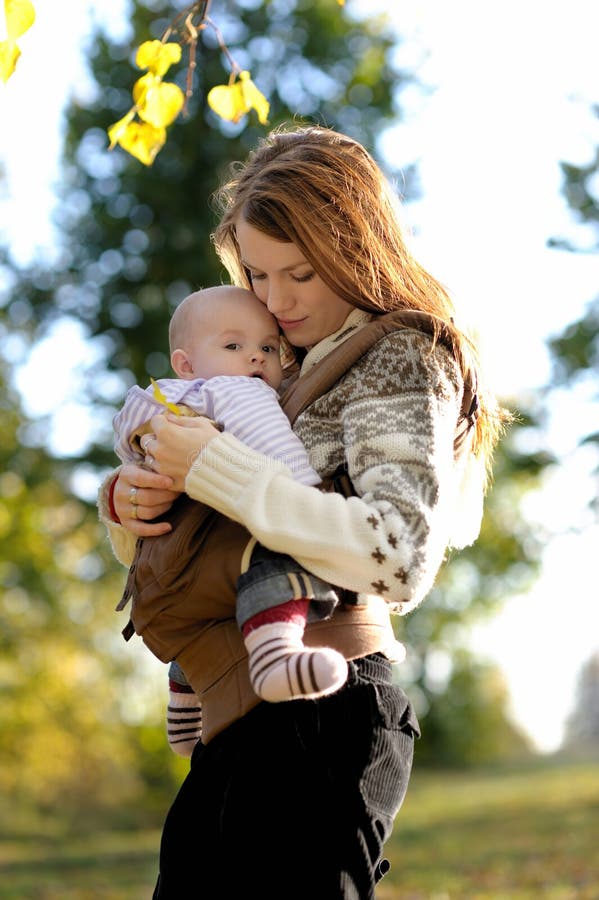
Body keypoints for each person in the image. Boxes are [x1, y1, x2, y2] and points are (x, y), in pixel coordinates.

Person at [98, 124, 509, 899]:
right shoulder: (274, 359)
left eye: (300, 274)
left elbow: (399, 556)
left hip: (325, 709)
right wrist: (131, 501)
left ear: (356, 250)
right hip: (237, 716)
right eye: (256, 274)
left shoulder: (398, 353)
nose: (276, 302)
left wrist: (215, 468)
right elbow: (209, 536)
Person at [112, 285, 353, 754]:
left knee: (201, 609)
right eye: (233, 346)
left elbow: (131, 434)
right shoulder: (237, 393)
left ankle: (184, 701)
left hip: (181, 566)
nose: (256, 359)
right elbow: (278, 449)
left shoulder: (164, 399)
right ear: (186, 363)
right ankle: (274, 656)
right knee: (280, 565)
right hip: (239, 534)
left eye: (268, 347)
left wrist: (131, 464)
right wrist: (305, 498)